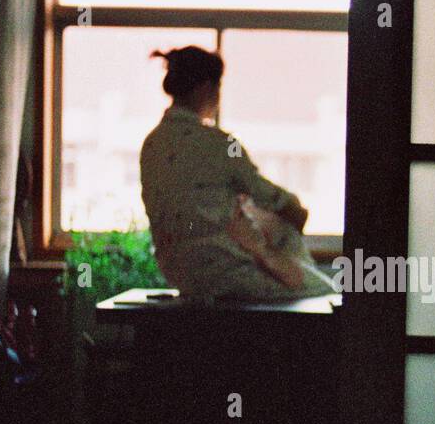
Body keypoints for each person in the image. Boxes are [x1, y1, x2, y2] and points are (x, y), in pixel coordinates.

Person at [140, 46, 335, 301]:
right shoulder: (218, 144)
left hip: (179, 274)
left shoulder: (152, 144)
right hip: (226, 274)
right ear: (206, 88)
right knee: (326, 289)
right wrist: (295, 209)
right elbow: (267, 195)